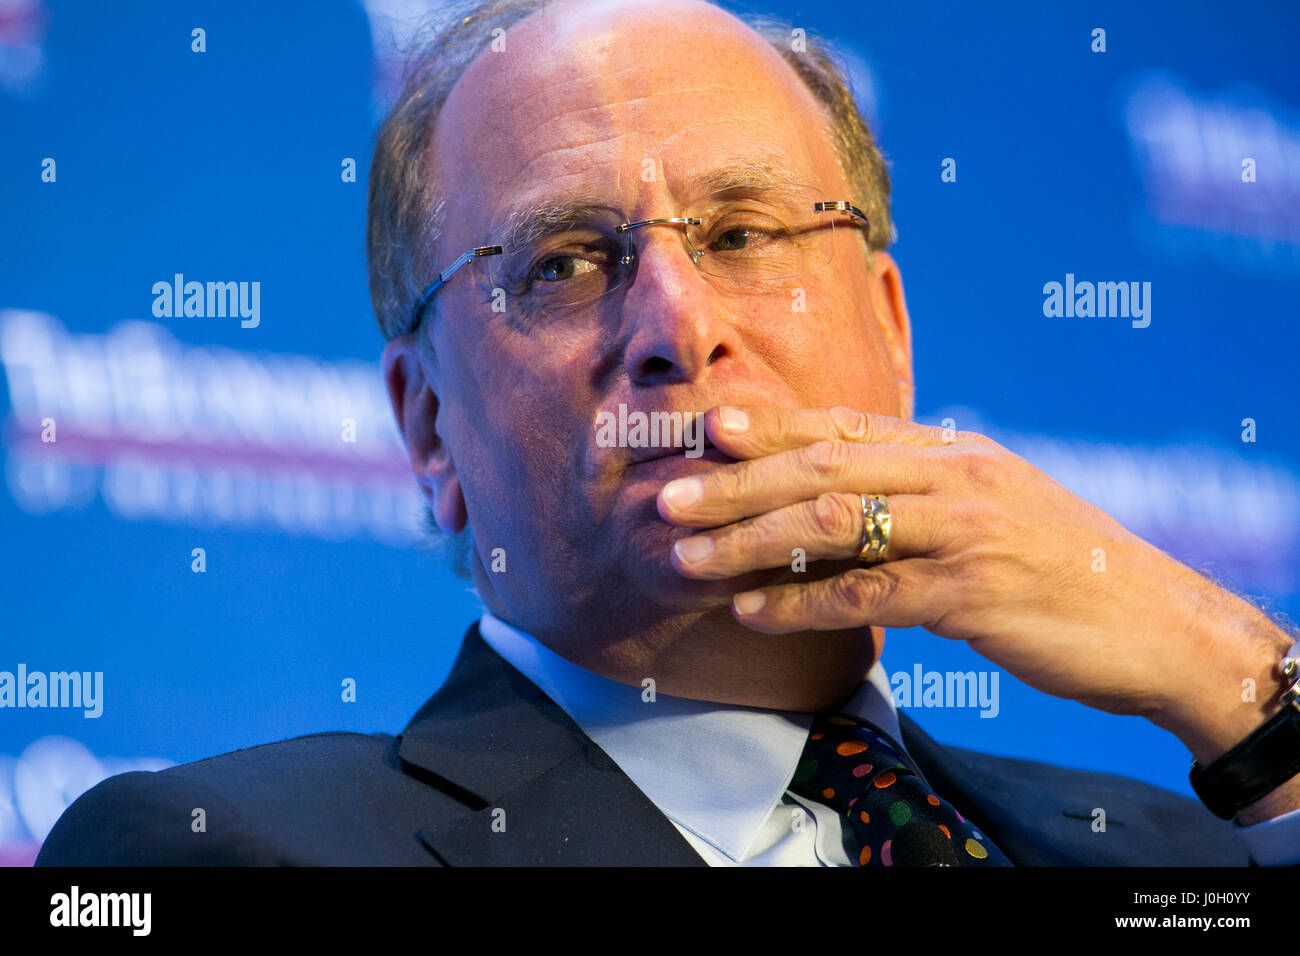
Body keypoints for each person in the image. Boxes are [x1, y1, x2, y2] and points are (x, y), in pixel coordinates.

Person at [37, 0, 1300, 867]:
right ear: (429, 426)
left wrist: (1238, 679)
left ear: (889, 331)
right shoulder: (222, 849)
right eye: (568, 262)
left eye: (744, 235)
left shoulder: (1170, 850)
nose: (677, 326)